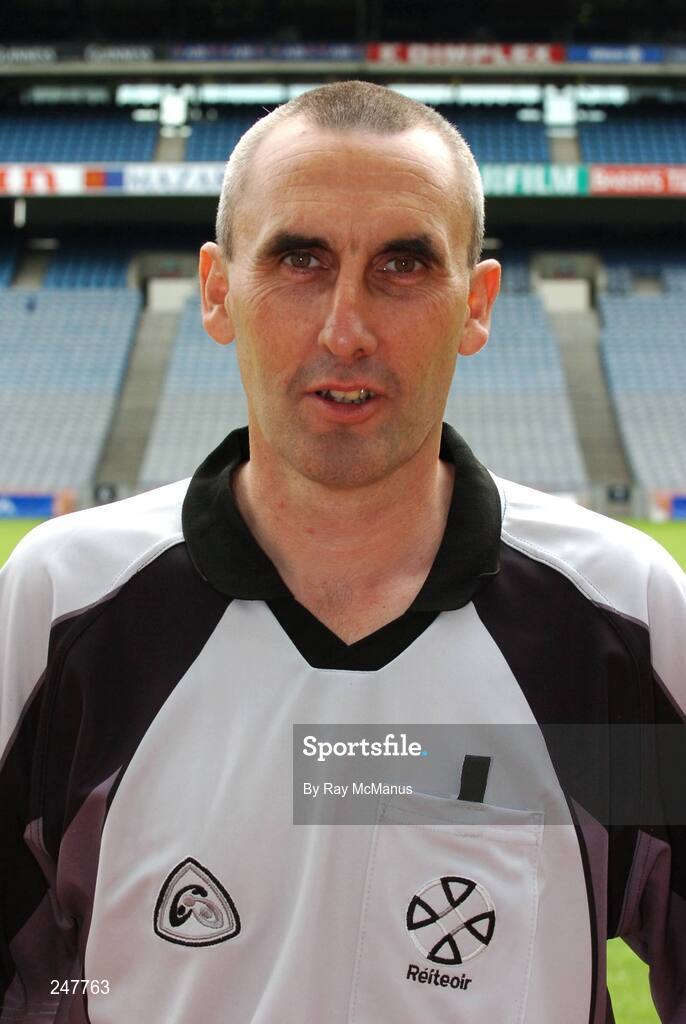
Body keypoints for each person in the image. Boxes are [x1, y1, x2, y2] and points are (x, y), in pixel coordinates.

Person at [0, 80, 684, 1024]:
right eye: (300, 259)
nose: (346, 329)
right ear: (217, 290)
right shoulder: (60, 609)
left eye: (403, 264)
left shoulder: (620, 620)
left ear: (478, 304)